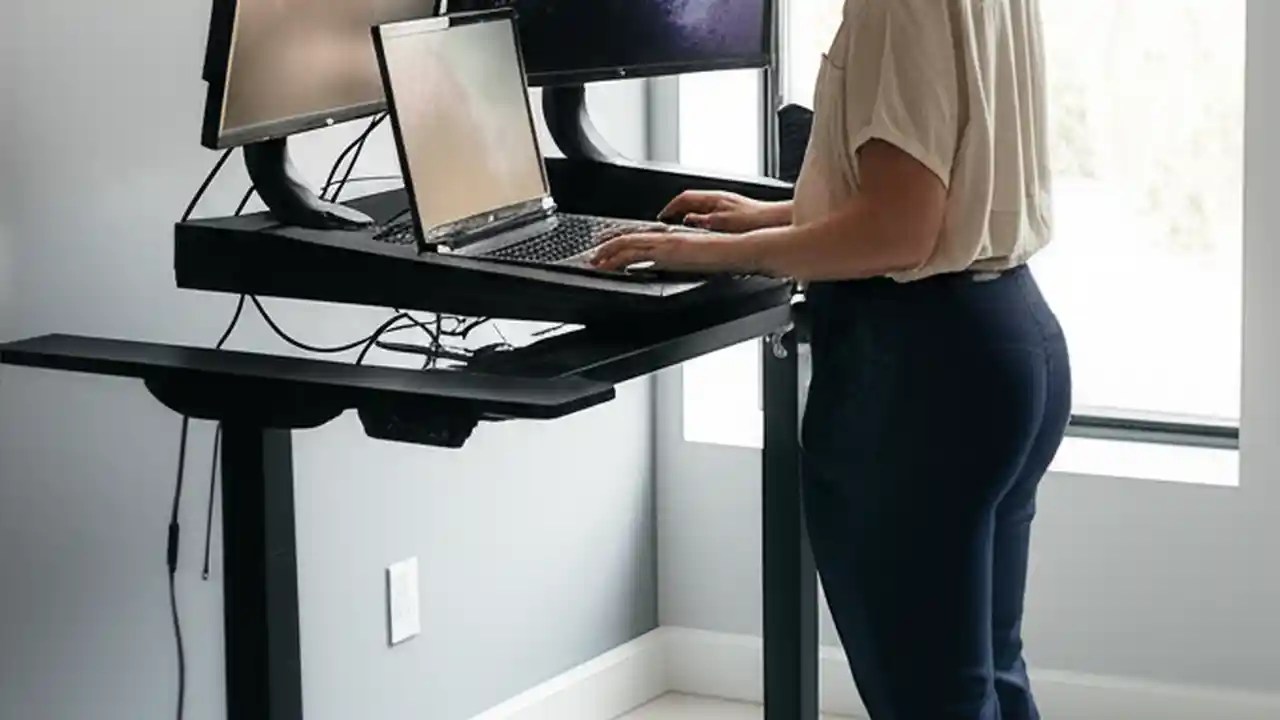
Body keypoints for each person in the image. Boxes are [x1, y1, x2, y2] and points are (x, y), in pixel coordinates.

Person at [594, 1, 1070, 718]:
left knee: (933, 700)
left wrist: (721, 253)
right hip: (1010, 339)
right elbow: (941, 182)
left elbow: (901, 229)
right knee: (985, 680)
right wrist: (777, 213)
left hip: (920, 371)